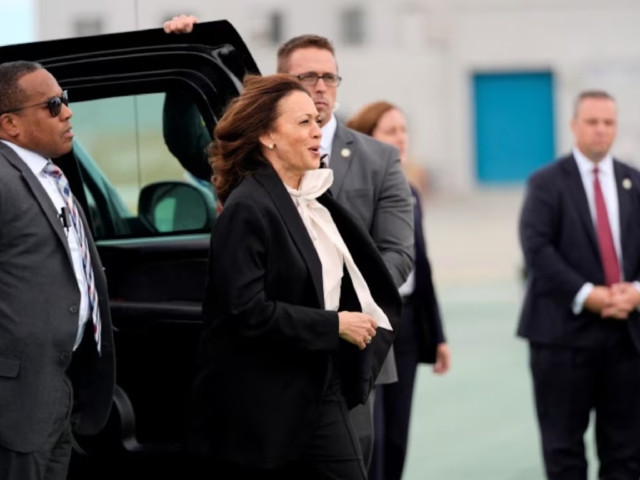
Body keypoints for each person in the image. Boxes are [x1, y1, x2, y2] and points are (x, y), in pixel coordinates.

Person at [163, 16, 415, 466]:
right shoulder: (248, 207)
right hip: (270, 395)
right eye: (304, 122)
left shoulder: (314, 195)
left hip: (327, 379)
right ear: (268, 136)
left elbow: (385, 258)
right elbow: (245, 311)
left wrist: (358, 318)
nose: (318, 127)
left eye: (328, 79)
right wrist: (335, 323)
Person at [0, 61, 115, 480]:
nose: (67, 112)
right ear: (10, 124)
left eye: (65, 100)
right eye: (52, 105)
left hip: (57, 390)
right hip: (14, 402)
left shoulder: (50, 174)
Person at [518, 90, 640, 480]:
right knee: (564, 452)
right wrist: (589, 295)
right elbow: (537, 249)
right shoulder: (545, 183)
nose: (601, 130)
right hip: (561, 341)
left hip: (627, 338)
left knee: (626, 453)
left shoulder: (634, 182)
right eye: (592, 122)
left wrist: (636, 292)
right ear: (574, 126)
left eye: (608, 123)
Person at [347, 101, 451, 480]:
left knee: (397, 438)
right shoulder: (354, 189)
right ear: (367, 139)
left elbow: (422, 267)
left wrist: (437, 335)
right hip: (369, 325)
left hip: (406, 326)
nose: (400, 139)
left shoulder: (411, 193)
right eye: (390, 131)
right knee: (372, 434)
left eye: (404, 130)